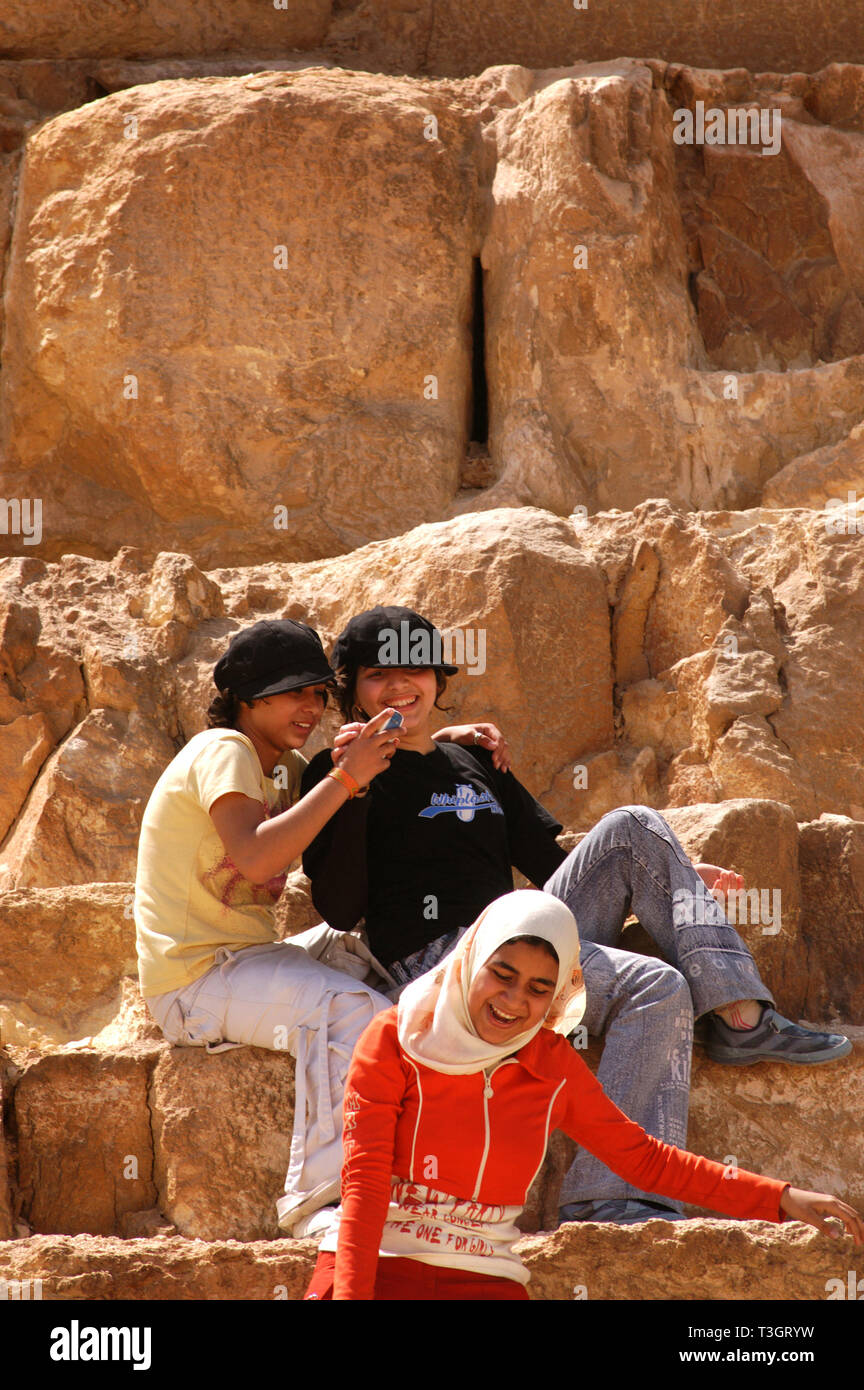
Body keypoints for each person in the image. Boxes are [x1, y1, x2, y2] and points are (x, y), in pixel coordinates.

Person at [301, 605, 851, 1228]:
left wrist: (677, 881)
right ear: (351, 690)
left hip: (521, 937)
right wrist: (354, 783)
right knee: (657, 985)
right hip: (444, 963)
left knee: (633, 826)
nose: (400, 686)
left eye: (415, 669)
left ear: (438, 678)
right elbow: (342, 908)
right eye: (378, 674)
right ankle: (610, 1199)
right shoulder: (336, 774)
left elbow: (548, 862)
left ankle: (740, 1015)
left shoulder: (475, 761)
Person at [303, 890, 863, 1300]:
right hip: (375, 1265)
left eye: (538, 988)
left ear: (558, 996)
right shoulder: (397, 1037)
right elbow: (365, 1186)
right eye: (501, 974)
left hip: (485, 1279)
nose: (513, 1001)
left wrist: (780, 1198)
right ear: (471, 959)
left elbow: (643, 1160)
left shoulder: (551, 1063)